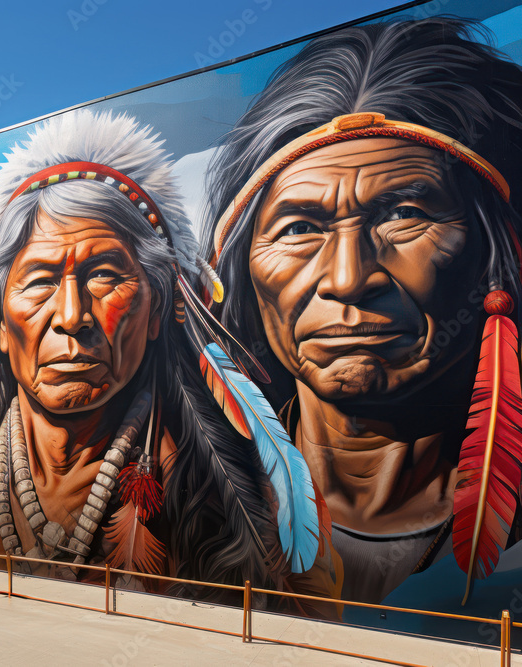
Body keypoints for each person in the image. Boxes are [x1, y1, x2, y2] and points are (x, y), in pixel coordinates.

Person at [0, 109, 336, 603]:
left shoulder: (249, 498)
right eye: (39, 281)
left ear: (157, 309)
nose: (72, 315)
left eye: (104, 274)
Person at [203, 18, 522, 604]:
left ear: (498, 255)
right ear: (241, 271)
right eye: (299, 228)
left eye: (404, 215)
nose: (348, 279)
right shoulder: (186, 494)